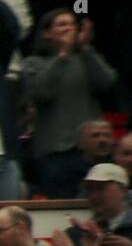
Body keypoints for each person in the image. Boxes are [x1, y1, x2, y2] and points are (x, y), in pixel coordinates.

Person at [21, 11, 120, 198]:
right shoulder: (33, 63)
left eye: (72, 24)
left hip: (90, 151)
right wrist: (63, 55)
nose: (68, 28)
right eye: (61, 24)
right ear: (46, 33)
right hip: (53, 153)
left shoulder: (85, 59)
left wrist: (86, 48)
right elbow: (40, 92)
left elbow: (107, 82)